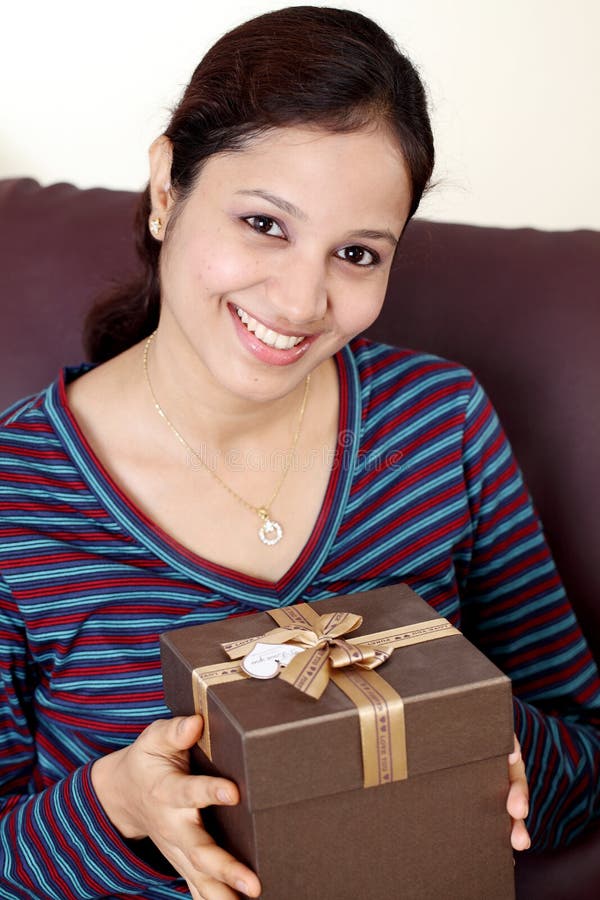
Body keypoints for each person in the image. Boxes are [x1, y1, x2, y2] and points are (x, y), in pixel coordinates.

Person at [1, 6, 599, 899]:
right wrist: (114, 803)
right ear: (166, 189)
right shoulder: (16, 491)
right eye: (265, 224)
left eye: (356, 253)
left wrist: (488, 745)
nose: (299, 301)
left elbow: (584, 752)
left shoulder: (438, 423)